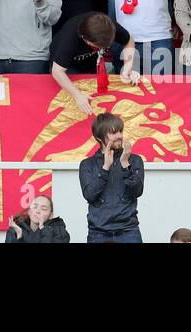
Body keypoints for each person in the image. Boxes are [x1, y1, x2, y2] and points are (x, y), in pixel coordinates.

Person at [49, 13, 139, 115]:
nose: (105, 48)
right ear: (87, 41)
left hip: (91, 61)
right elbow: (57, 71)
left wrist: (128, 66)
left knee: (94, 97)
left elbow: (129, 40)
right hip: (68, 67)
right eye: (100, 46)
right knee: (76, 104)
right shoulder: (69, 40)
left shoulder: (107, 26)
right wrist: (77, 95)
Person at [78, 112, 145, 243]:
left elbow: (137, 191)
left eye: (120, 131)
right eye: (114, 133)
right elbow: (89, 195)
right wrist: (105, 168)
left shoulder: (134, 160)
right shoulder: (87, 164)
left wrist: (126, 165)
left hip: (129, 231)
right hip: (98, 232)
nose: (119, 136)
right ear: (99, 137)